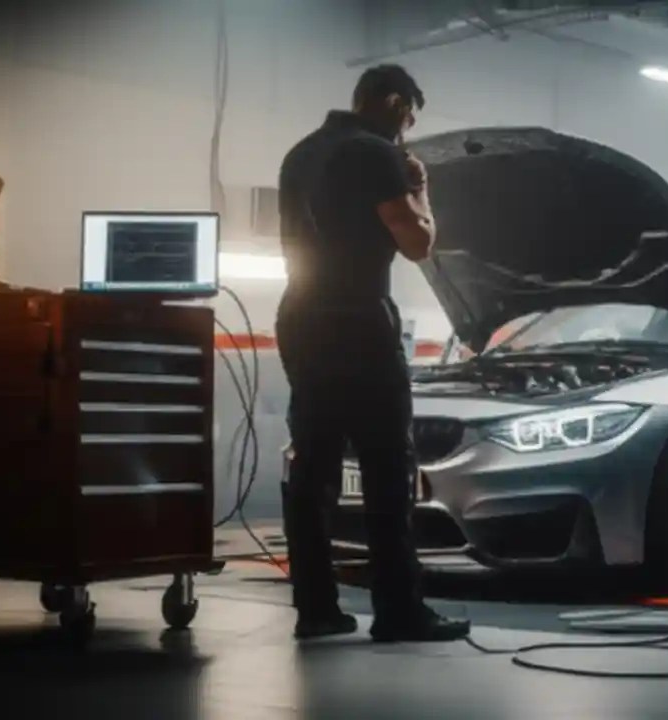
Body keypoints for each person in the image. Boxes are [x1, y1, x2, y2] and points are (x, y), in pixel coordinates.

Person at [275, 65, 470, 642]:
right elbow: (419, 243)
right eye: (407, 117)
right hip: (357, 319)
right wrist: (420, 189)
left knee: (313, 468)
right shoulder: (376, 153)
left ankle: (316, 610)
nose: (407, 130)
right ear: (391, 102)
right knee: (388, 468)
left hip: (299, 316)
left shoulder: (300, 154)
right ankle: (400, 611)